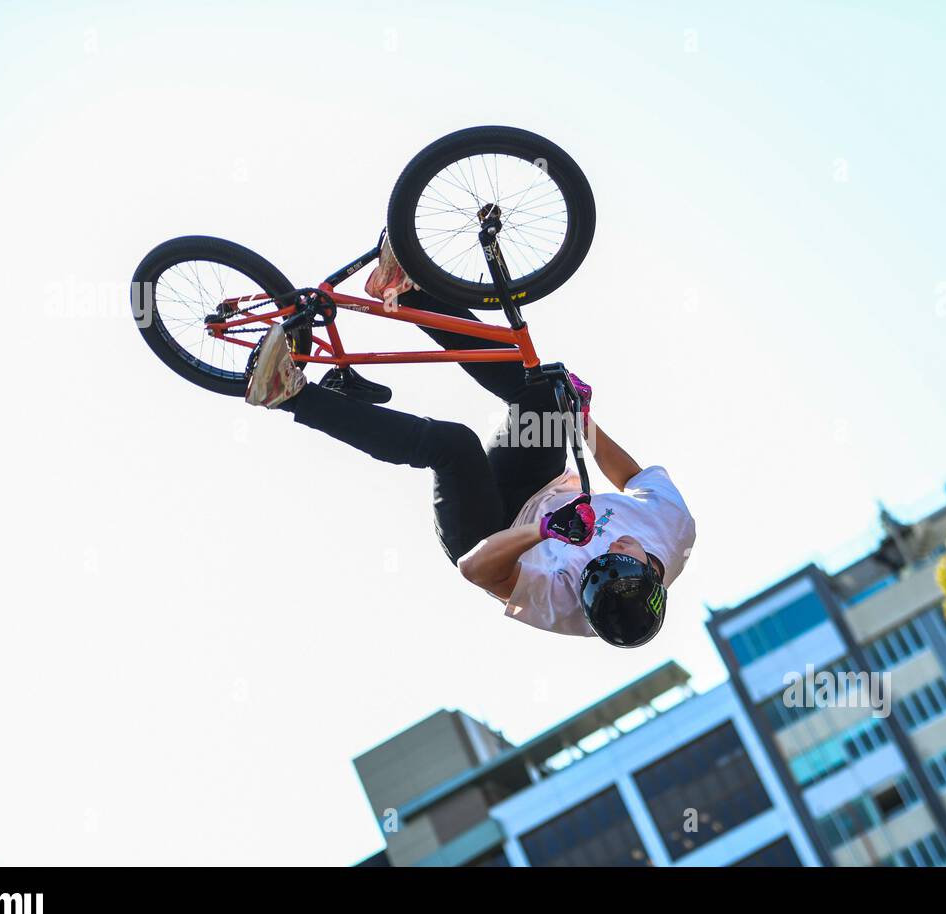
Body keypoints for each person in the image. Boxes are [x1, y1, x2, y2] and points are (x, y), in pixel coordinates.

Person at [243, 240, 696, 647]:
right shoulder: (674, 526)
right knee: (545, 394)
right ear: (654, 572)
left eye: (596, 565)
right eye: (621, 551)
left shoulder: (565, 606)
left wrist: (543, 531)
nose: (609, 547)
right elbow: (632, 478)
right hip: (538, 486)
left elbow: (476, 570)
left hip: (486, 537)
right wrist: (584, 420)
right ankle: (404, 290)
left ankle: (289, 395)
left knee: (453, 445)